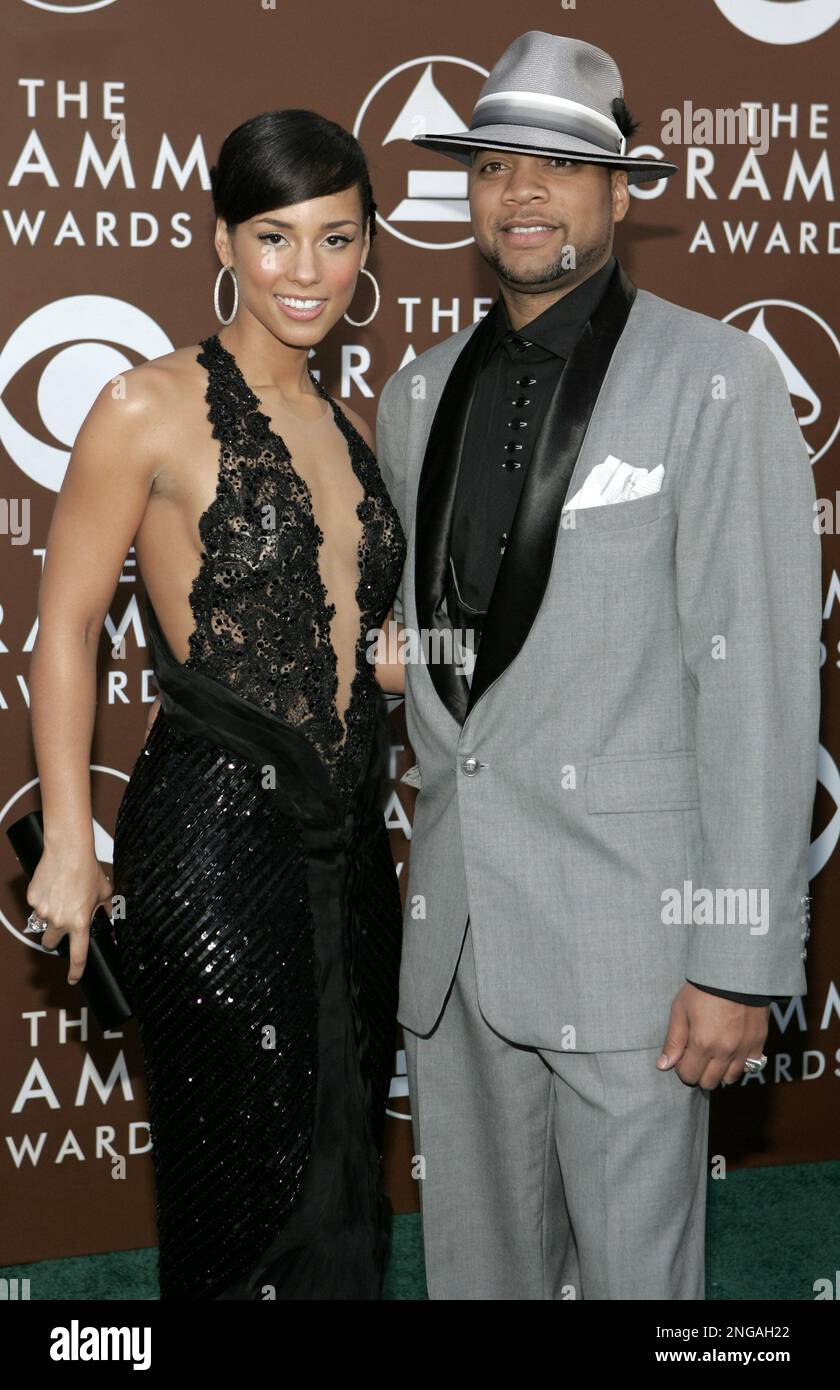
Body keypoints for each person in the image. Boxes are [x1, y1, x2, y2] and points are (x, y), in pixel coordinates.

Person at [375, 32, 820, 1299]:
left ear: (621, 192)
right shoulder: (415, 395)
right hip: (459, 941)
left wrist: (738, 959)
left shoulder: (719, 379)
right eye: (497, 164)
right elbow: (463, 648)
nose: (523, 191)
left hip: (638, 946)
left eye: (561, 166)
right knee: (479, 1275)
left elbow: (761, 685)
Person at [26, 108, 407, 1300]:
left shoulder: (356, 428)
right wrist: (70, 847)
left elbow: (362, 641)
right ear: (225, 241)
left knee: (346, 1175)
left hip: (350, 856)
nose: (308, 272)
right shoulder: (146, 404)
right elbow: (69, 628)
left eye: (336, 240)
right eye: (276, 237)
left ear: (366, 251)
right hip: (211, 845)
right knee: (239, 1185)